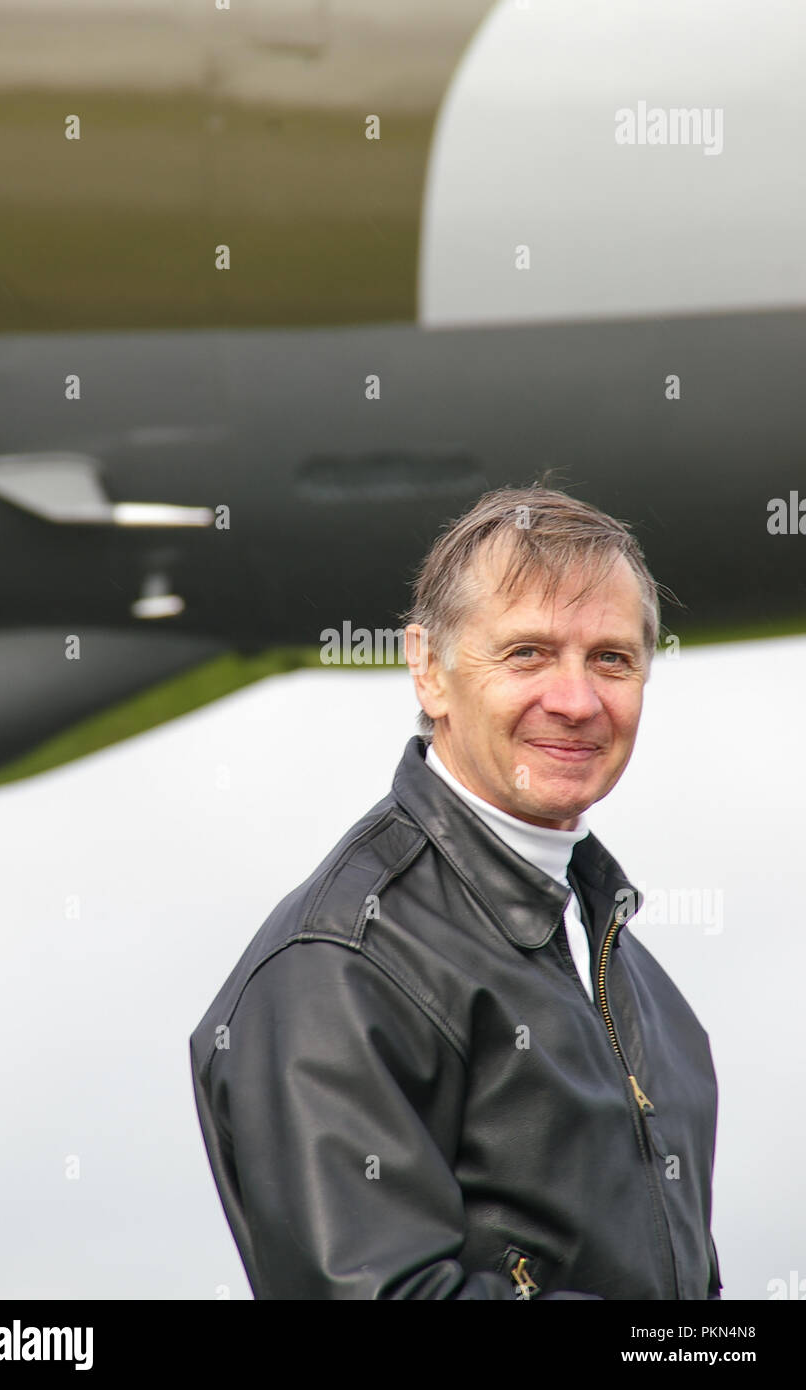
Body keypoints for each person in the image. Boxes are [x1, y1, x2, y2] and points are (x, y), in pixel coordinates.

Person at [188, 484, 722, 1300]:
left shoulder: (642, 984)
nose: (576, 701)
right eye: (527, 654)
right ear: (429, 671)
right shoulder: (341, 962)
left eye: (611, 658)